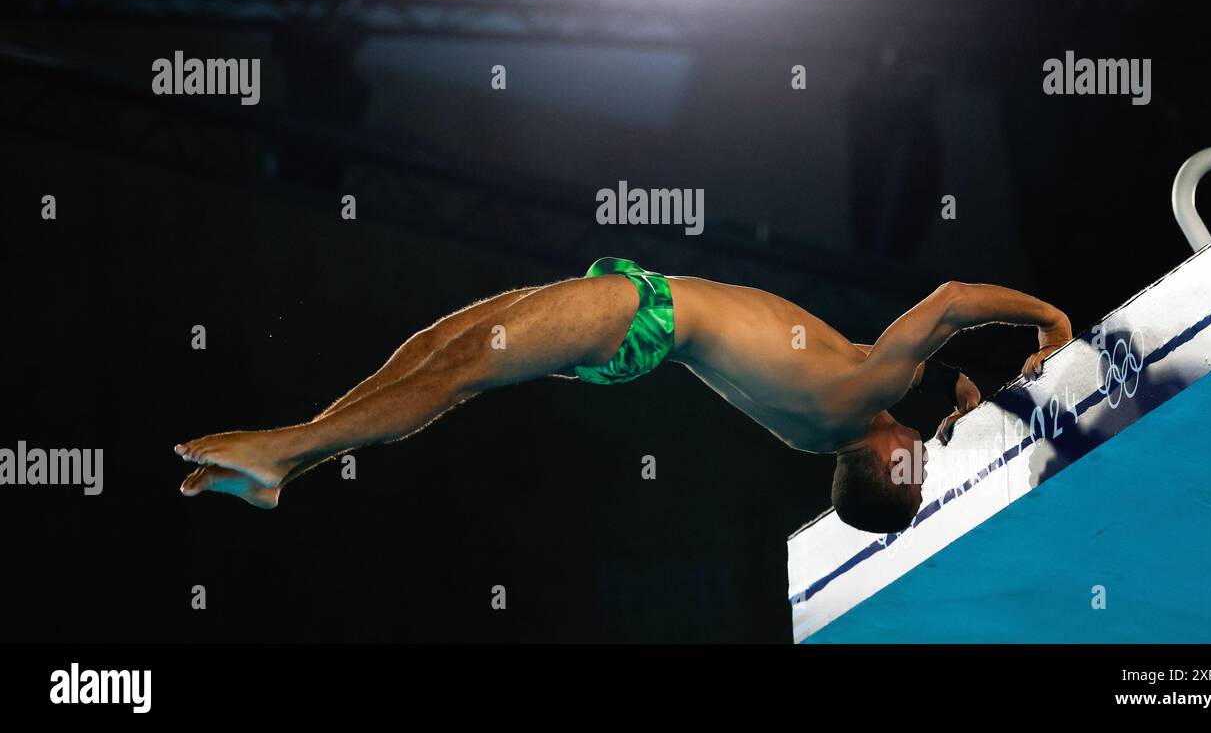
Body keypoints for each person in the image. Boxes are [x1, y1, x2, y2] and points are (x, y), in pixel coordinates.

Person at [176, 256, 1071, 532]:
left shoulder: (858, 393)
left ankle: (283, 451)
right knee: (437, 348)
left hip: (646, 314)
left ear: (890, 465)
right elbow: (922, 388)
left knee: (454, 368)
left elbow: (952, 304)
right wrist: (969, 403)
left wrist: (1050, 324)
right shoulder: (827, 426)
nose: (926, 456)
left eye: (917, 469)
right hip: (640, 333)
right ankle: (288, 460)